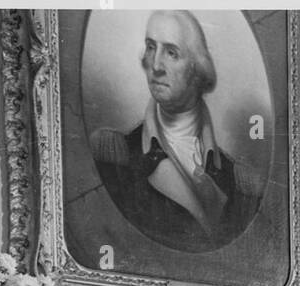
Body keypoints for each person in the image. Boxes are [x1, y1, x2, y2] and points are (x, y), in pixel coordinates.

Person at [90, 10, 262, 253]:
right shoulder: (113, 155)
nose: (156, 65)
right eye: (151, 47)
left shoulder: (241, 183)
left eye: (172, 53)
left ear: (197, 68)